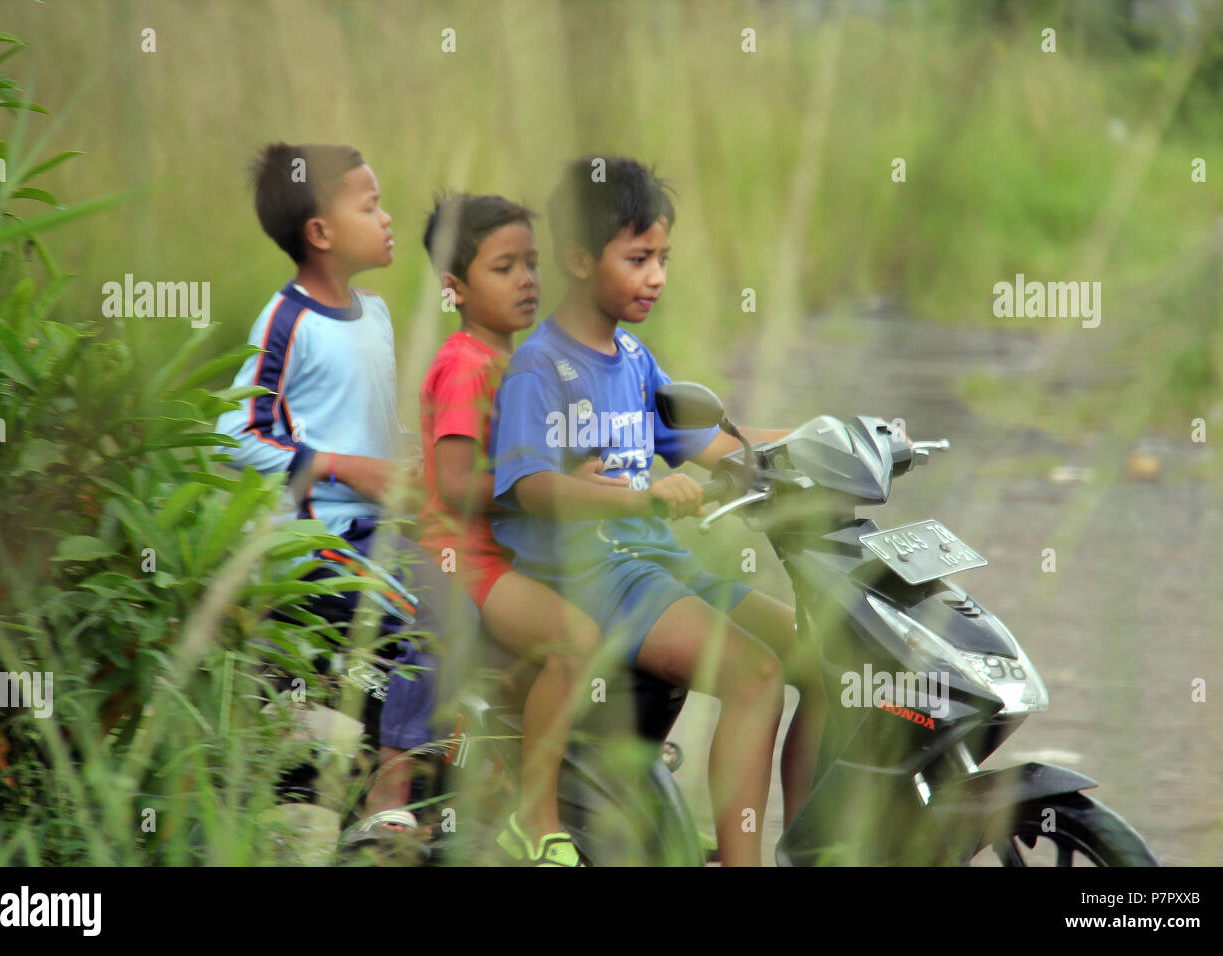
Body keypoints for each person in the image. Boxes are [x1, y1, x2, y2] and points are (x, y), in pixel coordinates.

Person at [488, 156, 826, 866]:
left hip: (658, 565)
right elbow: (529, 486)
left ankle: (809, 848)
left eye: (664, 258)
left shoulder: (636, 360)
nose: (657, 277)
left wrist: (837, 440)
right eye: (638, 258)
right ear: (580, 259)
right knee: (755, 677)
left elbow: (723, 445)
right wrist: (640, 495)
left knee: (821, 657)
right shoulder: (540, 368)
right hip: (596, 574)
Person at [214, 142, 476, 840]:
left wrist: (399, 458)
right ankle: (386, 805)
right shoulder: (286, 320)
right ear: (320, 233)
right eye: (370, 206)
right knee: (428, 626)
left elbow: (362, 422)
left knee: (468, 608)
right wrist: (344, 468)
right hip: (315, 541)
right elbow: (233, 433)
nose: (389, 219)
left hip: (375, 534)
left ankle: (432, 794)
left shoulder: (377, 315)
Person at [416, 192, 626, 866]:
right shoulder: (464, 368)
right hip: (464, 557)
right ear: (455, 289)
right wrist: (544, 495)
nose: (528, 280)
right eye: (504, 268)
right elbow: (452, 485)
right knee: (574, 642)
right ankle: (536, 820)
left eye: (532, 264)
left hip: (510, 548)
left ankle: (613, 805)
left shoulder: (524, 363)